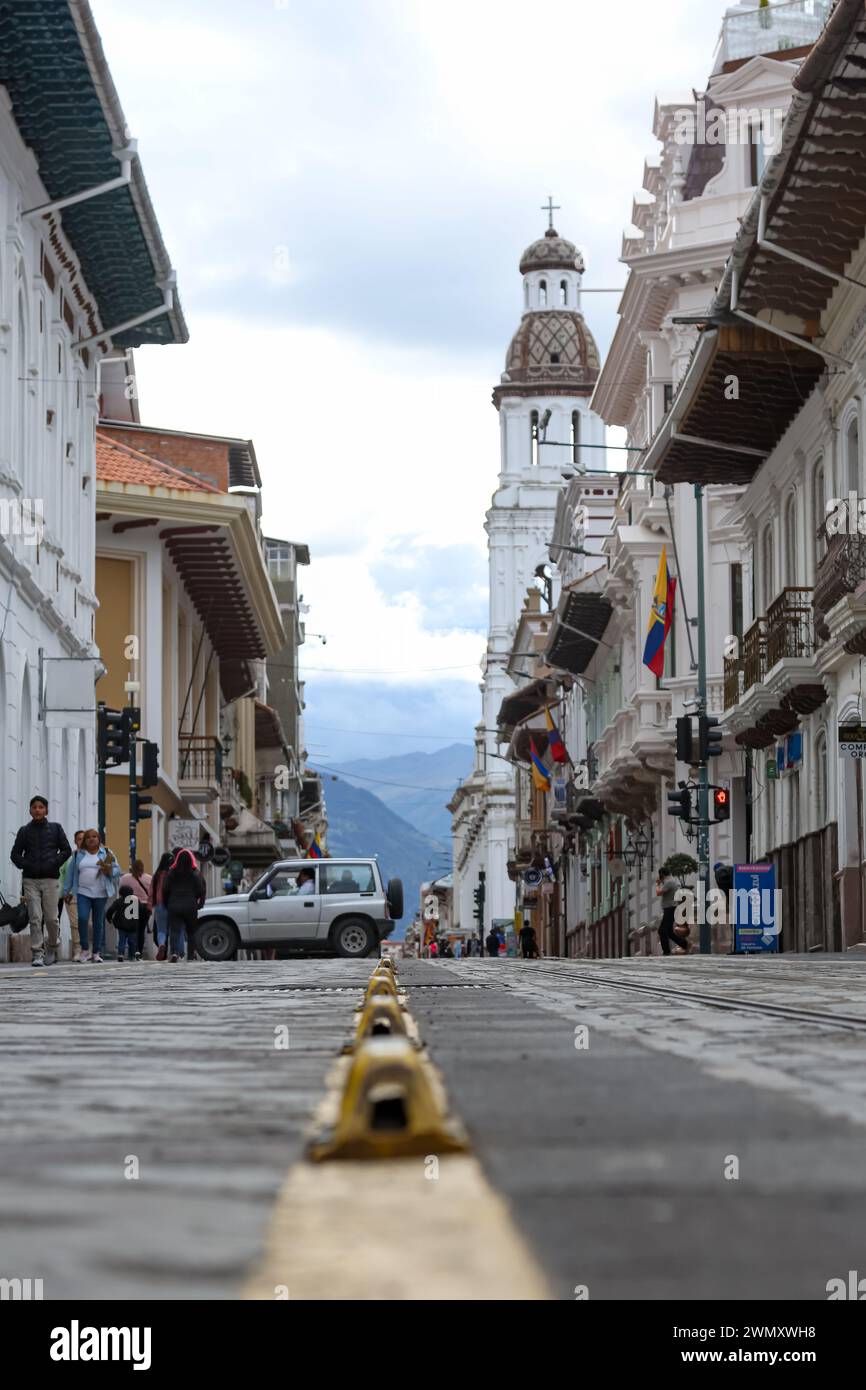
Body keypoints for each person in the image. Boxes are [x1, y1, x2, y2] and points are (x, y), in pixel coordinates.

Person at [11, 796, 72, 968]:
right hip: (30, 880)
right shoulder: (24, 831)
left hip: (51, 879)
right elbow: (15, 854)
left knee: (52, 919)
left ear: (46, 810)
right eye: (34, 807)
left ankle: (52, 946)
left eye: (41, 807)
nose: (37, 810)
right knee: (35, 918)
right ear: (30, 811)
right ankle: (37, 953)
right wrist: (26, 864)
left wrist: (54, 862)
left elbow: (66, 850)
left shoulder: (55, 828)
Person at [63, 829, 121, 963]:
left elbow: (117, 869)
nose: (91, 839)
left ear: (99, 839)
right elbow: (70, 874)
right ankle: (84, 949)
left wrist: (109, 870)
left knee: (98, 923)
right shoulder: (78, 854)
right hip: (83, 892)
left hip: (101, 893)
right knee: (82, 918)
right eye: (88, 837)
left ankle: (96, 952)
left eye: (94, 836)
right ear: (85, 841)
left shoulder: (106, 852)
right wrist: (66, 891)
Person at [162, 848, 207, 962]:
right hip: (190, 906)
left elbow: (165, 889)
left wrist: (166, 903)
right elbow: (201, 890)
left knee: (175, 931)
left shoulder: (171, 873)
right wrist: (199, 903)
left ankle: (174, 953)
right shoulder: (195, 874)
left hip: (174, 905)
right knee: (191, 932)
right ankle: (191, 955)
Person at [116, 860, 153, 961]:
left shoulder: (124, 878)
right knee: (141, 930)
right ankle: (139, 952)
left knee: (130, 930)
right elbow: (151, 895)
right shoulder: (149, 878)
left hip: (129, 905)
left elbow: (120, 892)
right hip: (144, 907)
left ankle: (130, 951)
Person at [60, 830, 85, 962]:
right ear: (75, 841)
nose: (82, 841)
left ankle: (89, 949)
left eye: (84, 838)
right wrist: (65, 892)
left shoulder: (97, 855)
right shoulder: (70, 857)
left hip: (91, 894)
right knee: (75, 923)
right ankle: (78, 950)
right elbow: (63, 876)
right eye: (79, 839)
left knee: (89, 923)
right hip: (72, 894)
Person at [656, 867, 687, 956]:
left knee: (662, 930)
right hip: (671, 908)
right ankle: (684, 944)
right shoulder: (670, 880)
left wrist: (657, 884)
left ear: (661, 874)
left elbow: (658, 892)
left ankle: (666, 951)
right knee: (669, 931)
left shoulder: (669, 882)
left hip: (670, 908)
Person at [149, 852, 173, 960]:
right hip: (173, 904)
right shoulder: (174, 873)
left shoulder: (157, 874)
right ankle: (174, 952)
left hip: (159, 904)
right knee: (174, 929)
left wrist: (150, 905)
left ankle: (162, 944)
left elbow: (151, 891)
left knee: (161, 930)